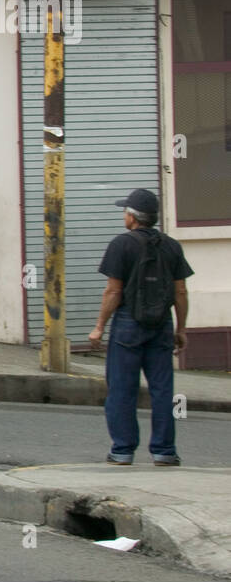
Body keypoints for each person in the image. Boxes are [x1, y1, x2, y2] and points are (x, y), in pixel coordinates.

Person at [88, 189, 193, 467]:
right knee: (161, 390)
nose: (124, 215)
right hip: (161, 326)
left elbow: (113, 291)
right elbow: (180, 292)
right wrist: (181, 329)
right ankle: (164, 451)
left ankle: (122, 450)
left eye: (126, 211)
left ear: (133, 218)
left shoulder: (121, 245)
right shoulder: (171, 246)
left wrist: (99, 327)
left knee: (122, 389)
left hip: (127, 326)